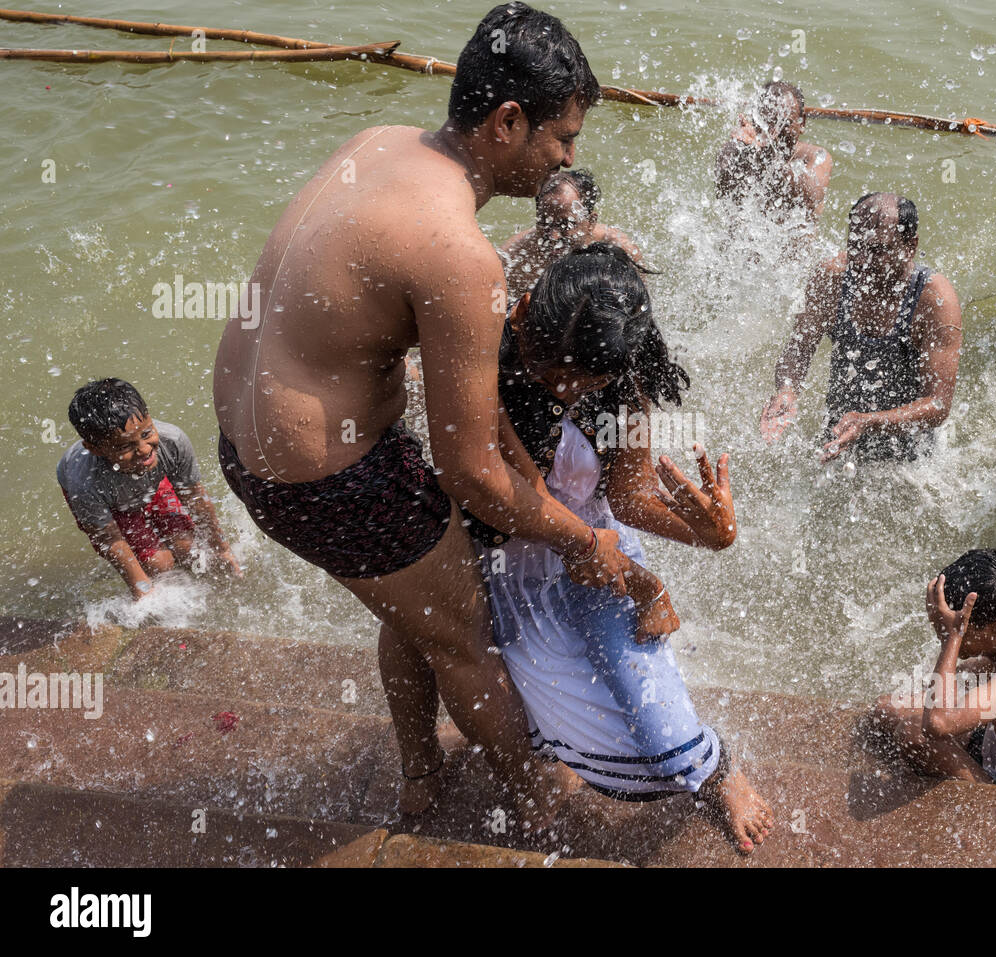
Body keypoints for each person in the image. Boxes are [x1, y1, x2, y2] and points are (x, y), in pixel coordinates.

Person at [212, 3, 627, 821]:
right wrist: (585, 539)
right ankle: (538, 798)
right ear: (508, 122)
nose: (568, 160)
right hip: (326, 479)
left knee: (413, 604)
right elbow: (468, 470)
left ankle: (419, 774)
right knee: (464, 638)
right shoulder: (459, 255)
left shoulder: (381, 143)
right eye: (564, 139)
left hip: (248, 446)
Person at [466, 243, 773, 852]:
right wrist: (645, 583)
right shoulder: (483, 363)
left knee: (659, 738)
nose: (562, 386)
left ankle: (717, 771)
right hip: (514, 560)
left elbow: (628, 498)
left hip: (604, 562)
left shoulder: (622, 391)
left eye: (585, 379)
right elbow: (518, 497)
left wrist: (710, 534)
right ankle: (536, 764)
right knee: (543, 709)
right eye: (549, 366)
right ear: (525, 313)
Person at [760, 192, 962, 462]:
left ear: (910, 246)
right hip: (837, 433)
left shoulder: (933, 299)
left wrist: (869, 422)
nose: (862, 261)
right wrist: (787, 390)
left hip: (910, 454)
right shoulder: (831, 278)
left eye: (877, 250)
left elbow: (937, 405)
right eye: (855, 246)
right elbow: (799, 348)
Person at [864, 549, 996, 793]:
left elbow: (937, 723)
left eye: (962, 626)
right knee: (885, 709)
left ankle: (985, 792)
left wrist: (951, 638)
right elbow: (967, 674)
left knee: (914, 733)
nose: (945, 631)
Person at [57, 378, 241, 598]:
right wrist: (140, 588)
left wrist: (222, 549)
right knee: (160, 566)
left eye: (146, 434)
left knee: (189, 549)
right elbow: (109, 539)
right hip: (115, 506)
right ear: (95, 449)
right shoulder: (84, 481)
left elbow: (195, 499)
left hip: (153, 483)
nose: (144, 450)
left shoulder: (172, 442)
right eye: (125, 446)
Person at [499, 168, 643, 301]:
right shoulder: (514, 258)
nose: (554, 236)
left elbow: (643, 308)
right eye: (545, 222)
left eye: (566, 224)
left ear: (591, 222)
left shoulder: (618, 249)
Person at [716, 81, 832, 225]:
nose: (775, 133)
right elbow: (722, 191)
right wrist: (745, 154)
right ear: (755, 120)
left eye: (785, 124)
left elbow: (812, 195)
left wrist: (768, 158)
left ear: (802, 124)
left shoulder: (815, 156)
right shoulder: (738, 149)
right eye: (769, 122)